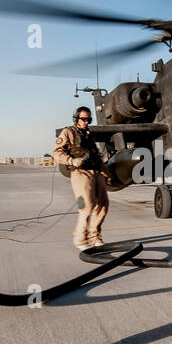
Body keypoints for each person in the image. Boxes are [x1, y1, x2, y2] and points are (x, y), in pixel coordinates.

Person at [52, 106, 108, 251]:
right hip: (80, 173)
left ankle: (94, 237)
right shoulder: (68, 132)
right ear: (76, 119)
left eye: (89, 119)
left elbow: (96, 154)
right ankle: (80, 239)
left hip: (96, 172)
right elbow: (57, 153)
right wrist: (72, 161)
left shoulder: (89, 134)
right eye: (83, 119)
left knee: (102, 205)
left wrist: (106, 173)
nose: (86, 122)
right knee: (86, 206)